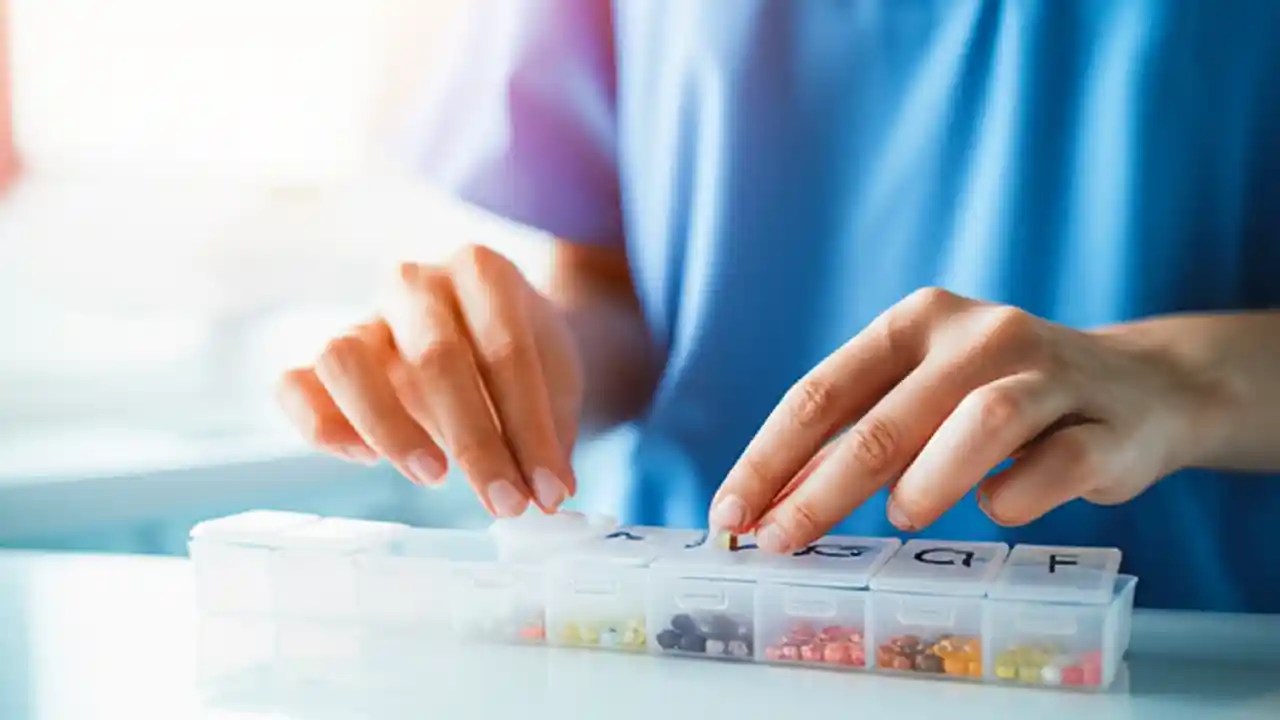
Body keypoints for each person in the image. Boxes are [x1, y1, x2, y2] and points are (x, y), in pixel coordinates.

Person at [275, 1, 1280, 612]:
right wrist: (520, 366)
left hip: (1194, 649)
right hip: (694, 639)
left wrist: (1180, 382)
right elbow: (626, 299)